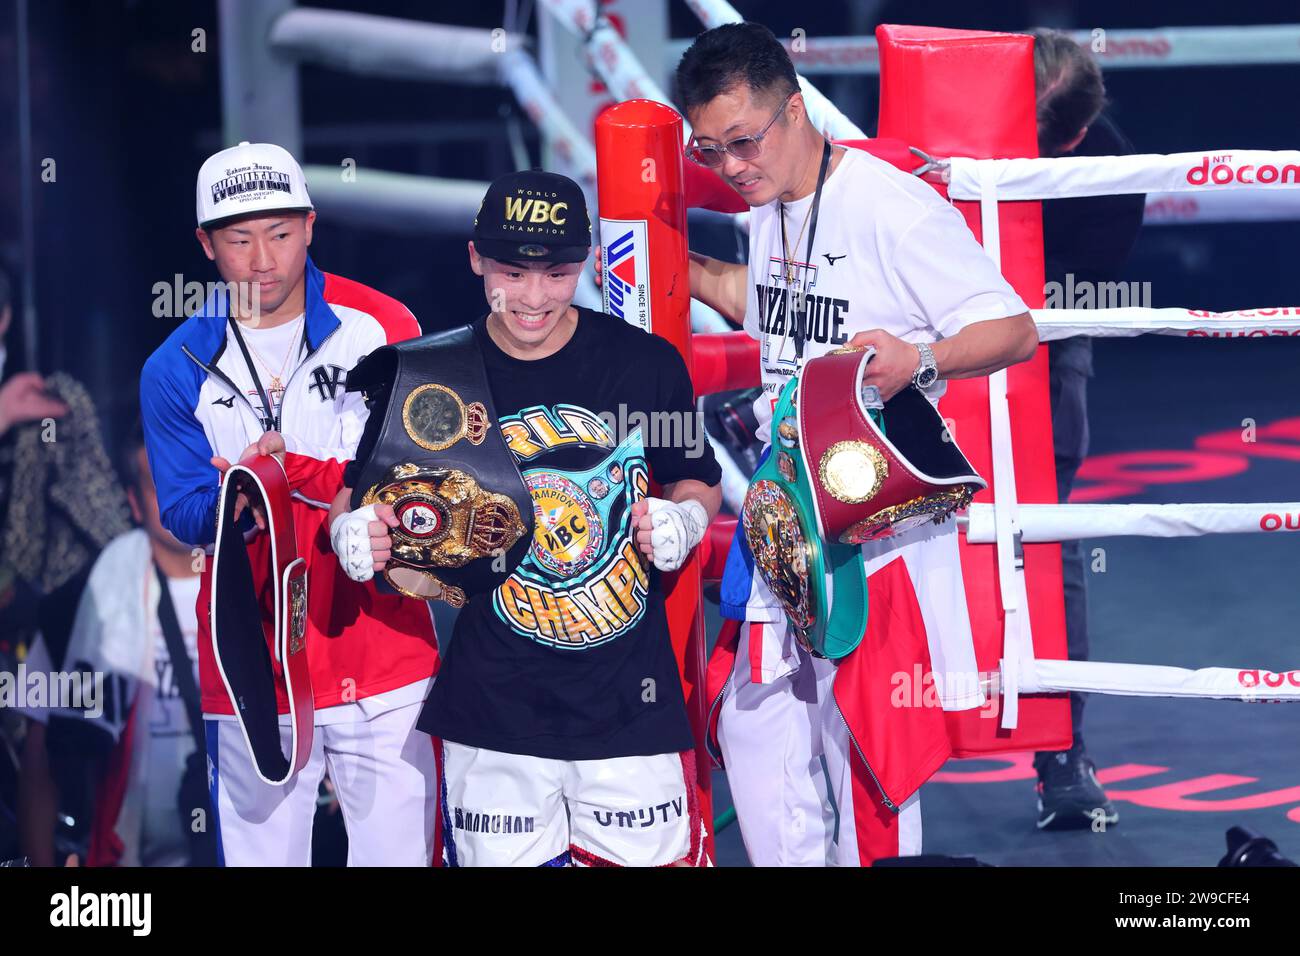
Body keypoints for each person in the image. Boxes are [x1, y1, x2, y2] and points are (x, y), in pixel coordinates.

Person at [675, 22, 1039, 865]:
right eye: (709, 150)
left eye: (743, 142)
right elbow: (773, 304)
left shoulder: (890, 206)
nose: (729, 168)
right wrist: (659, 252)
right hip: (787, 511)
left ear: (795, 112)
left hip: (876, 518)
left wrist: (924, 359)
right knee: (756, 722)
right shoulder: (773, 204)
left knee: (866, 750)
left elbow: (1014, 329)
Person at [326, 169, 723, 866]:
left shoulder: (644, 365)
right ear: (476, 257)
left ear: (588, 263)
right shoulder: (428, 376)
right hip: (492, 707)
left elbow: (698, 480)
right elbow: (361, 493)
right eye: (512, 272)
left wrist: (685, 518)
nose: (533, 298)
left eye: (557, 273)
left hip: (629, 703)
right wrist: (350, 529)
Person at [139, 142, 440, 866]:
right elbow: (181, 512)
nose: (262, 259)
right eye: (239, 240)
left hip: (382, 636)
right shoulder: (172, 365)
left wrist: (277, 474)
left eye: (278, 233)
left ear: (310, 226)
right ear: (207, 246)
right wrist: (265, 489)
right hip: (251, 646)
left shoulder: (383, 325)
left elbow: (416, 475)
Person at [1030, 27, 1144, 831]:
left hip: (1041, 344)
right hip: (923, 338)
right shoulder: (942, 133)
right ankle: (871, 742)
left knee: (1047, 534)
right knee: (885, 530)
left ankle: (1062, 751)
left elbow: (1075, 306)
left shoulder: (1111, 176)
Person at [20, 421, 203, 866]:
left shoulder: (262, 589)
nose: (177, 498)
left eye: (187, 477)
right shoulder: (78, 609)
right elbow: (39, 757)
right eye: (159, 486)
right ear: (134, 505)